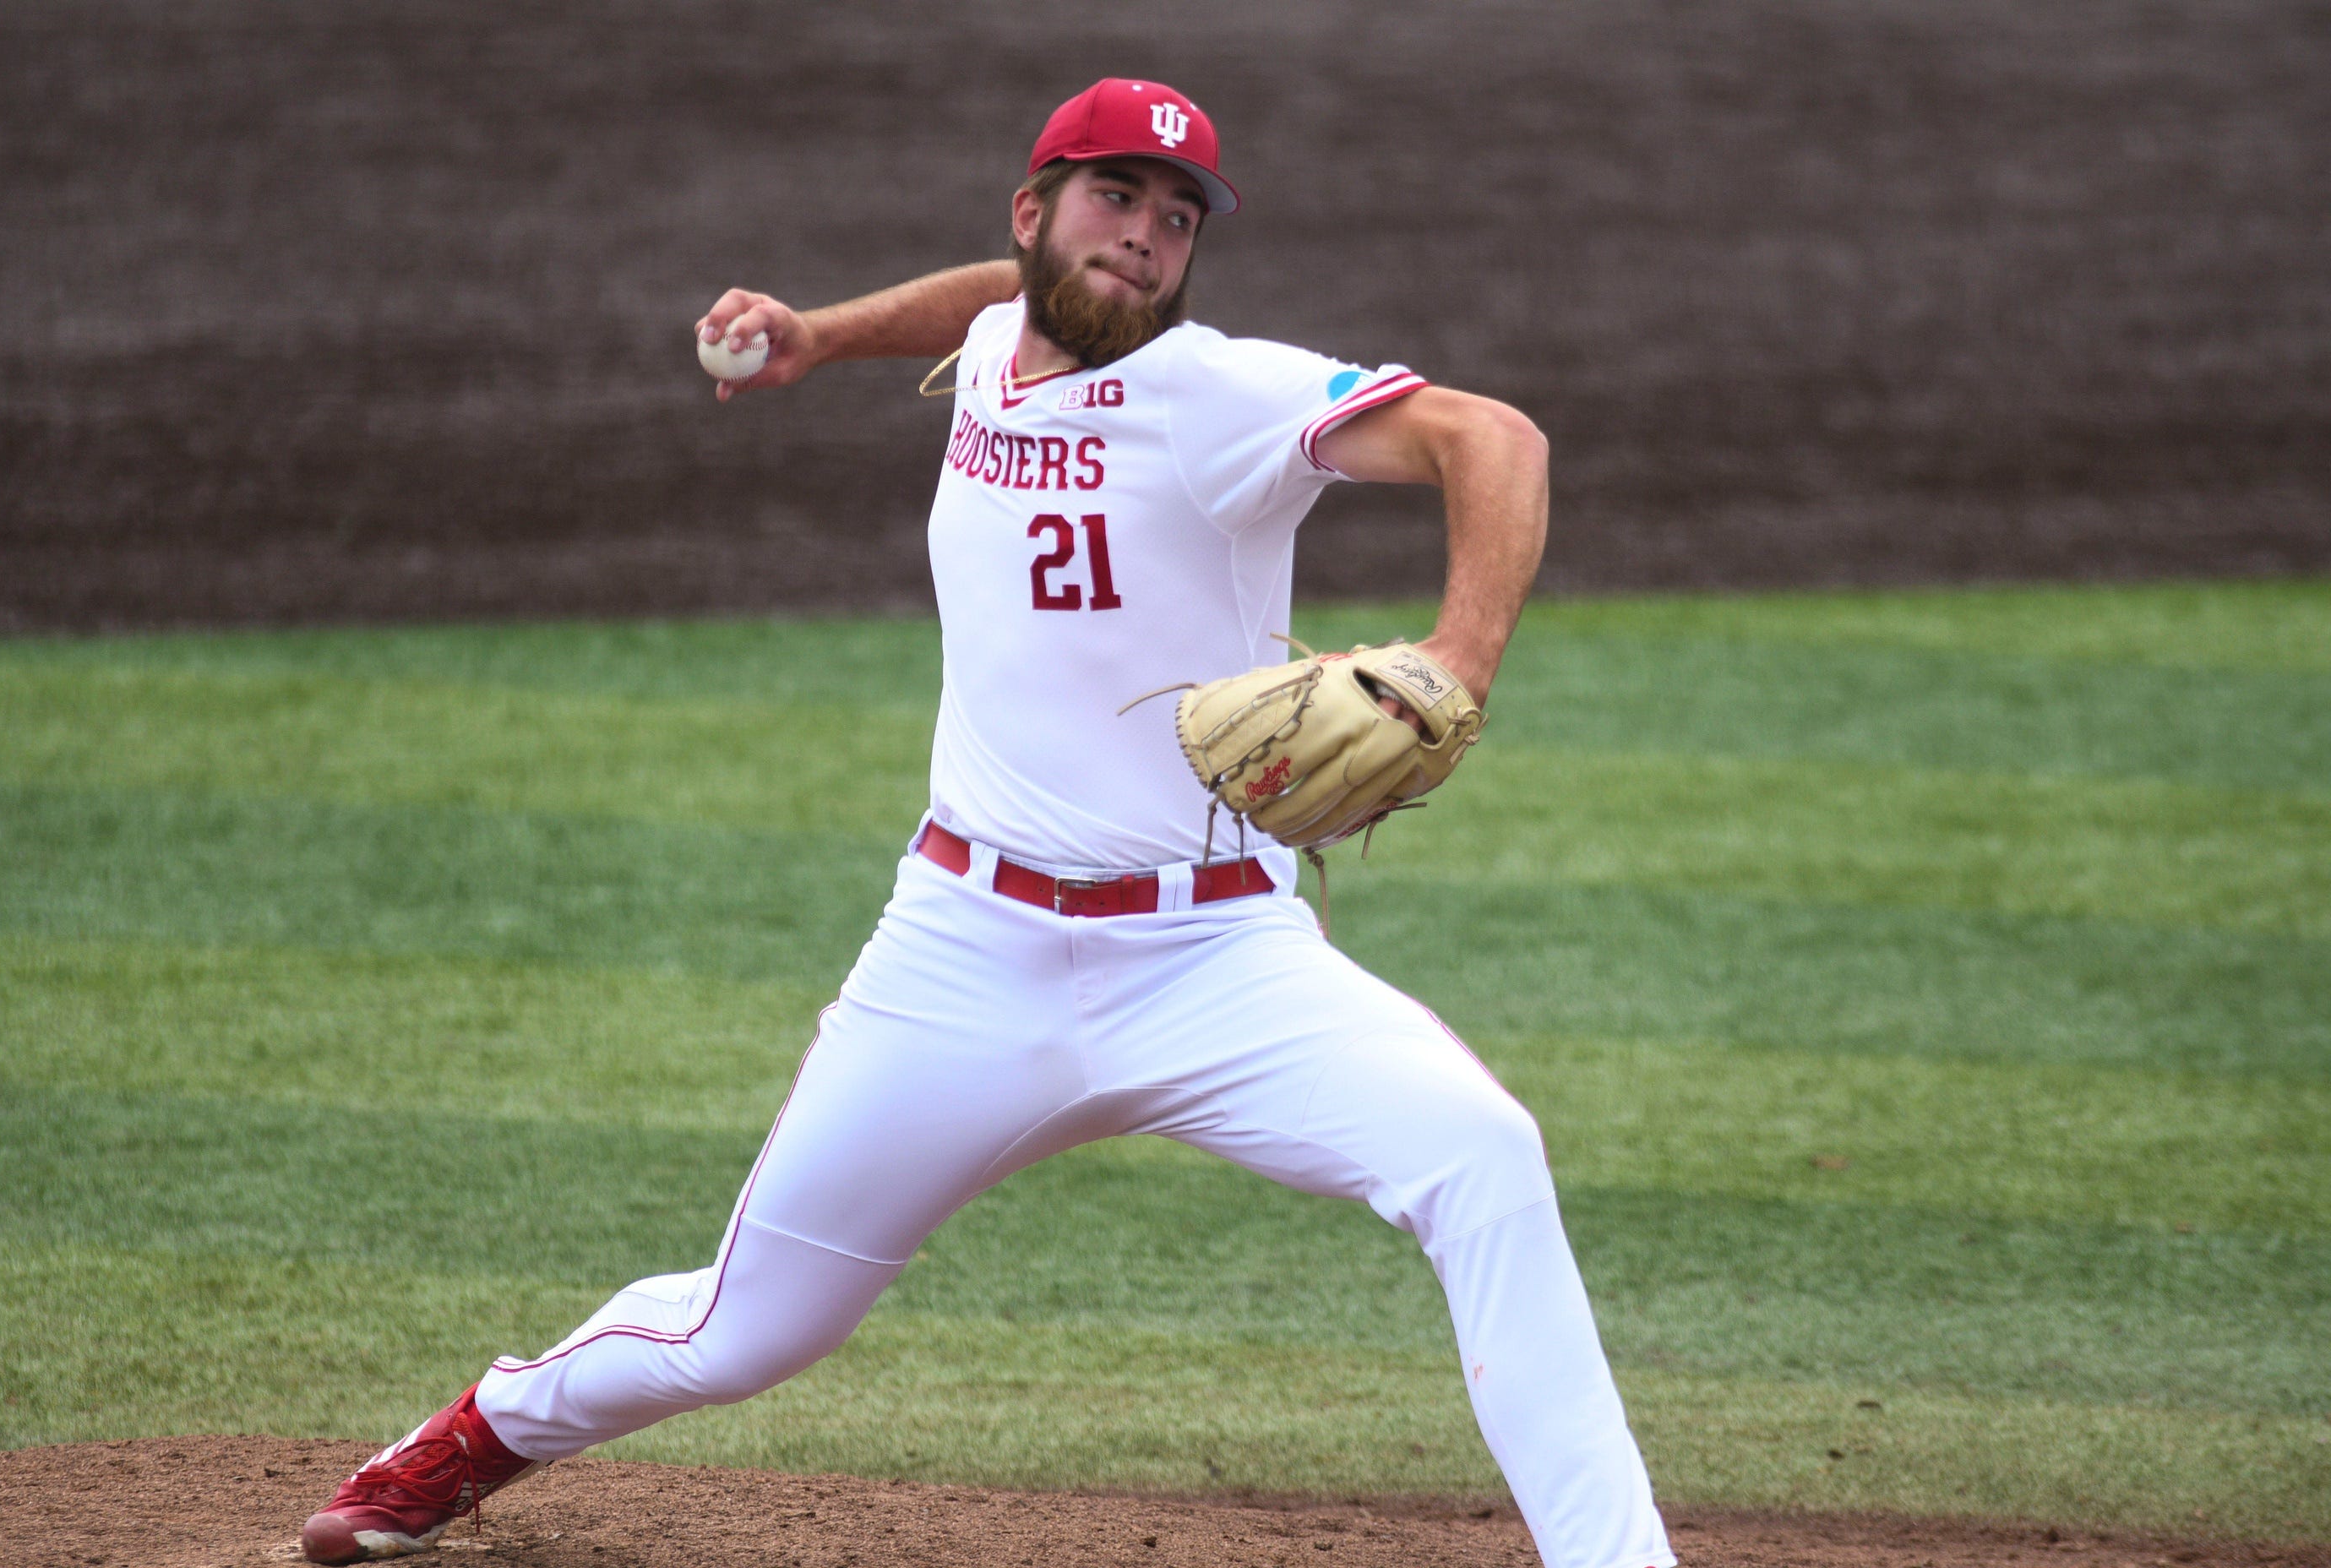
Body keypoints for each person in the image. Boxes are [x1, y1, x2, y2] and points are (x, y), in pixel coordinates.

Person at [301, 77, 1675, 1568]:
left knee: (1483, 1154)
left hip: (1217, 964)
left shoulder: (1219, 395)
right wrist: (823, 338)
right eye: (1111, 200)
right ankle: (455, 1448)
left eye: (1173, 219)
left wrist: (1456, 663)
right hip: (965, 953)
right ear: (1036, 215)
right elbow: (982, 310)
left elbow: (1499, 440)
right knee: (742, 1331)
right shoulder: (999, 340)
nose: (1142, 238)